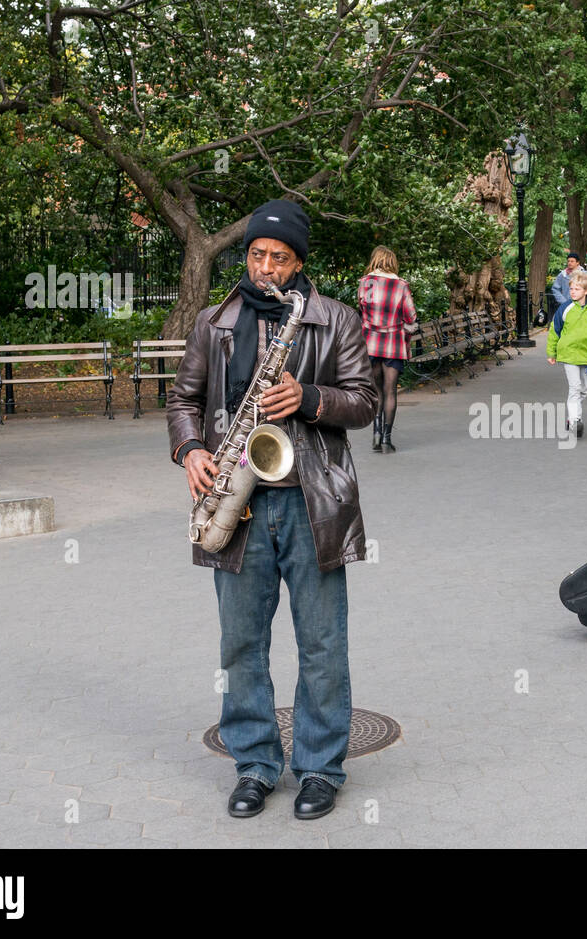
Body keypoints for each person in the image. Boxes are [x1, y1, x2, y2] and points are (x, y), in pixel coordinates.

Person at [166, 199, 378, 820]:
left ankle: (320, 768)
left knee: (321, 643)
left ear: (298, 264)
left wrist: (308, 397)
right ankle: (255, 765)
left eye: (278, 258)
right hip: (238, 505)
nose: (264, 267)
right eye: (256, 254)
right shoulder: (215, 321)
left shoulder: (335, 319)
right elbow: (183, 400)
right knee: (240, 645)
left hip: (314, 503)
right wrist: (192, 450)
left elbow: (364, 401)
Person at [358, 245, 417, 452]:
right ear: (392, 261)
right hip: (393, 344)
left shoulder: (364, 283)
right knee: (390, 391)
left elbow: (361, 310)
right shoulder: (401, 285)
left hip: (370, 344)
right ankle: (386, 439)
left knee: (376, 390)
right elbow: (411, 316)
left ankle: (375, 432)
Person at [546, 268, 587, 439]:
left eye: (577, 289)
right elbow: (555, 330)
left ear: (586, 291)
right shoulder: (565, 309)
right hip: (568, 353)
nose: (573, 292)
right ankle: (575, 421)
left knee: (583, 390)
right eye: (571, 289)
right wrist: (552, 352)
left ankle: (572, 417)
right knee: (575, 388)